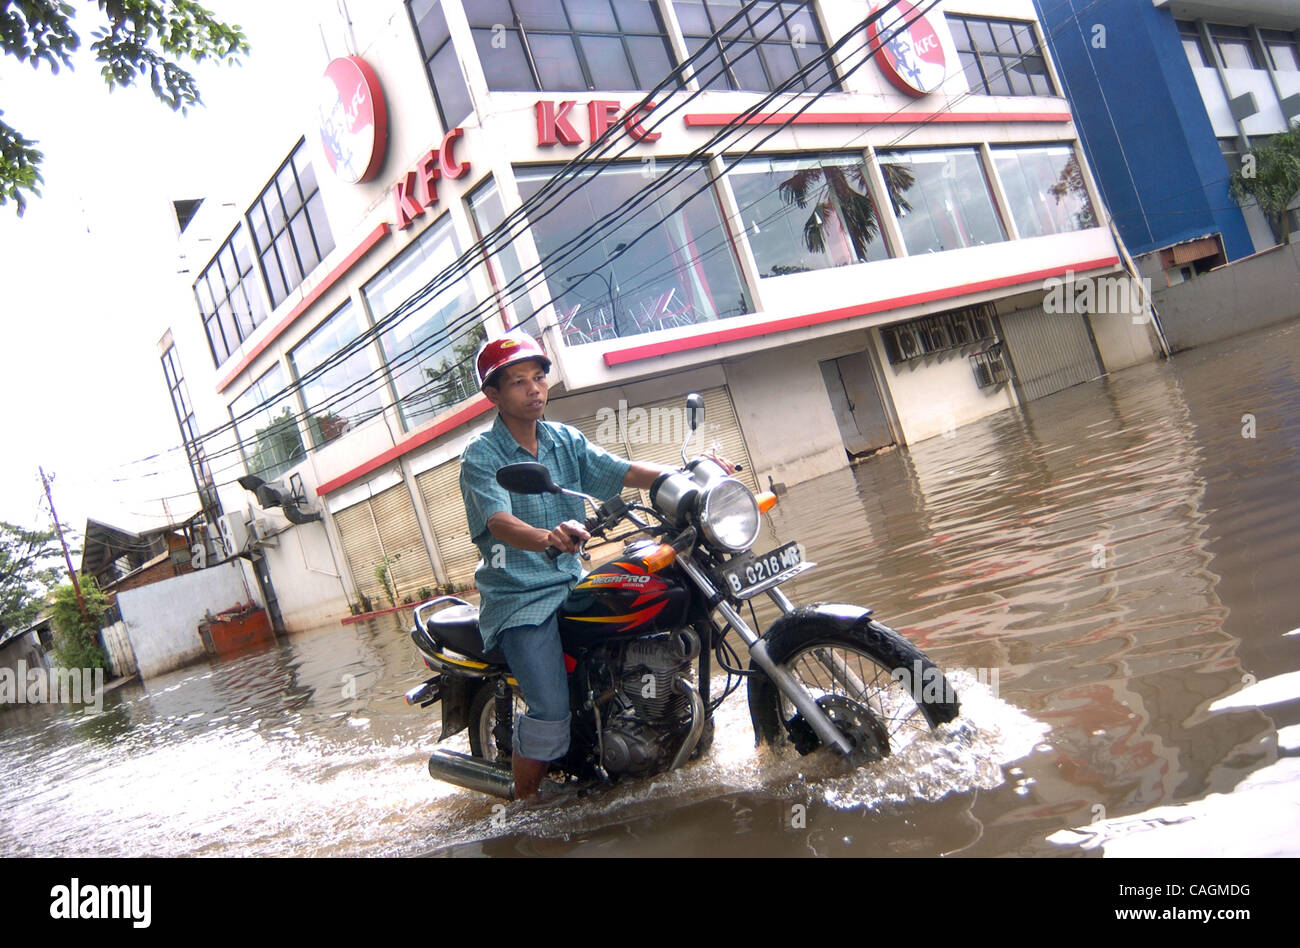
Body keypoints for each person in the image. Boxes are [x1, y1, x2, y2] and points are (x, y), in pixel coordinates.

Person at [458, 329, 674, 802]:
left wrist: (686, 472)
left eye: (538, 378)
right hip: (520, 597)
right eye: (517, 382)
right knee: (551, 708)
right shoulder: (482, 454)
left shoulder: (564, 440)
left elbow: (621, 471)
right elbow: (497, 520)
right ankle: (525, 805)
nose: (534, 389)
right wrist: (547, 538)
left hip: (573, 579)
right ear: (492, 394)